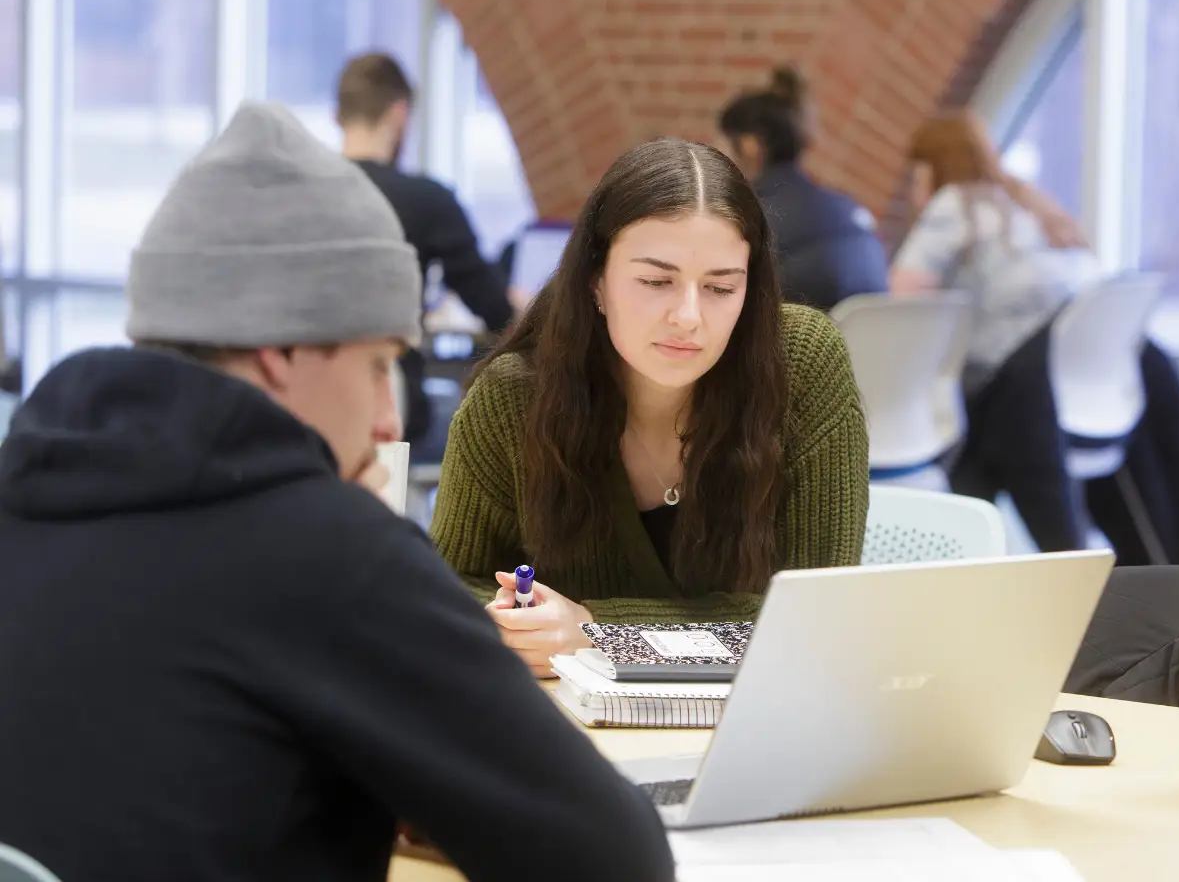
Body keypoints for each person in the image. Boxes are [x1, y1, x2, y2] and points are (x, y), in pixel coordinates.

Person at [0, 102, 674, 882]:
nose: (388, 415)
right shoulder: (330, 552)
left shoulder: (22, 498)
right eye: (378, 364)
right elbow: (616, 858)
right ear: (282, 349)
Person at [430, 137, 870, 677]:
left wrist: (599, 633)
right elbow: (449, 587)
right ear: (596, 280)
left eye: (721, 288)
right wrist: (510, 622)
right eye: (656, 281)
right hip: (570, 719)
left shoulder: (800, 363)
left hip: (762, 714)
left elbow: (820, 616)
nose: (688, 316)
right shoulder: (516, 397)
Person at [889, 109, 1106, 552]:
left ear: (931, 169)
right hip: (1058, 388)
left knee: (973, 456)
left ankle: (972, 565)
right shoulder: (1023, 201)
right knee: (975, 460)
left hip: (1012, 393)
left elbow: (900, 295)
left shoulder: (955, 204)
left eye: (915, 175)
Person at [337, 52, 520, 445]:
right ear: (399, 113)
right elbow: (492, 306)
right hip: (394, 402)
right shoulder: (427, 200)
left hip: (314, 398)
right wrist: (517, 304)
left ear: (341, 115)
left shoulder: (304, 196)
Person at [717, 67, 888, 312]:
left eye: (721, 144)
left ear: (749, 145)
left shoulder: (753, 220)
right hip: (867, 336)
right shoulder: (848, 208)